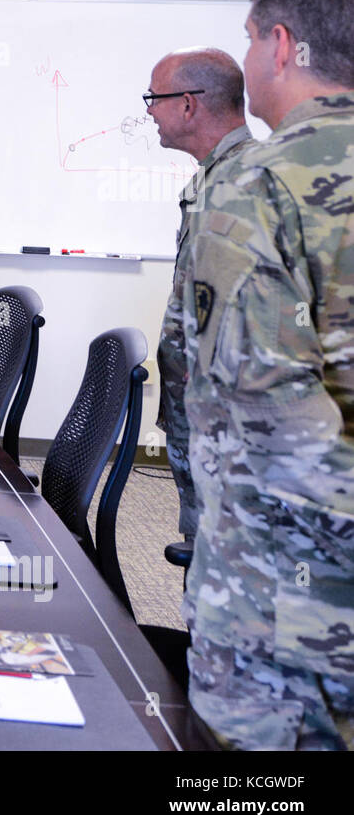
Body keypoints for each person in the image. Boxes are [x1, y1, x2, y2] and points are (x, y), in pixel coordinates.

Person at [180, 0, 354, 750]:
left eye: (249, 41)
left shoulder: (256, 186)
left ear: (281, 47)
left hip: (291, 612)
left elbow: (278, 430)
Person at [144, 47, 254, 543]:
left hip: (224, 431)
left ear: (188, 105)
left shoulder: (241, 184)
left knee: (215, 554)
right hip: (202, 415)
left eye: (154, 98)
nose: (148, 110)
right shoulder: (220, 176)